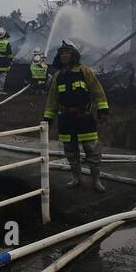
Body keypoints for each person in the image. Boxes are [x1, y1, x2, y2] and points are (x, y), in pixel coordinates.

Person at [42, 39, 109, 191]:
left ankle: (96, 181)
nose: (64, 55)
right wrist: (48, 118)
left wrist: (103, 110)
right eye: (62, 53)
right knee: (71, 152)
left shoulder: (85, 72)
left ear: (74, 55)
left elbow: (98, 92)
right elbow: (52, 100)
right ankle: (76, 179)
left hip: (84, 118)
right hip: (66, 119)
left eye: (67, 53)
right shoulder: (57, 76)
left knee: (92, 150)